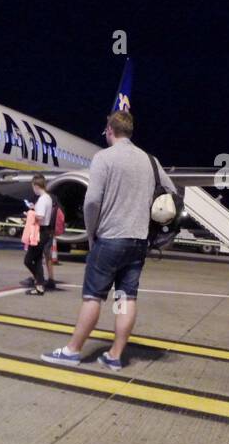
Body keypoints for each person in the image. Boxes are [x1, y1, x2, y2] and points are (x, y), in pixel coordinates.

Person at [41, 109, 176, 370]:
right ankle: (115, 355)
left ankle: (72, 350)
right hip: (138, 241)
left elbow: (91, 201)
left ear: (110, 130)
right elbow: (170, 191)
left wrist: (90, 232)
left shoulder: (104, 157)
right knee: (125, 298)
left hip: (110, 239)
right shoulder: (150, 160)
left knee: (93, 297)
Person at [21, 175, 53, 294]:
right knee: (38, 259)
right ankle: (39, 286)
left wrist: (29, 215)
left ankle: (40, 281)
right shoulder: (47, 198)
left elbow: (40, 216)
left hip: (40, 231)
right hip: (45, 231)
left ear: (36, 186)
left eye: (33, 187)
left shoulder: (43, 199)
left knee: (28, 260)